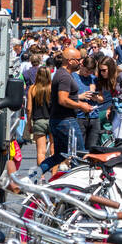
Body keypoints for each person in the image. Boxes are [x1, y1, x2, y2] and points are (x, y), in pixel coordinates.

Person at [39, 48, 95, 176]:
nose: (81, 62)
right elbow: (63, 100)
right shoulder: (64, 76)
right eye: (79, 60)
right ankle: (77, 185)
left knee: (59, 155)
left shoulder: (61, 74)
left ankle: (34, 175)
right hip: (66, 120)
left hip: (59, 120)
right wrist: (81, 106)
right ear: (70, 61)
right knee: (80, 155)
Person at [97, 56, 122, 144]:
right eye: (100, 70)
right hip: (117, 112)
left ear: (111, 68)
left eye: (104, 70)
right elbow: (116, 97)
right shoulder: (109, 79)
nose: (102, 73)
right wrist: (110, 107)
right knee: (115, 140)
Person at [27, 66, 53, 169]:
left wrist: (29, 125)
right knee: (53, 148)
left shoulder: (32, 88)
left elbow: (29, 109)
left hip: (38, 121)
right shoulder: (52, 88)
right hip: (52, 120)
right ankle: (53, 176)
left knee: (40, 151)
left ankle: (41, 176)